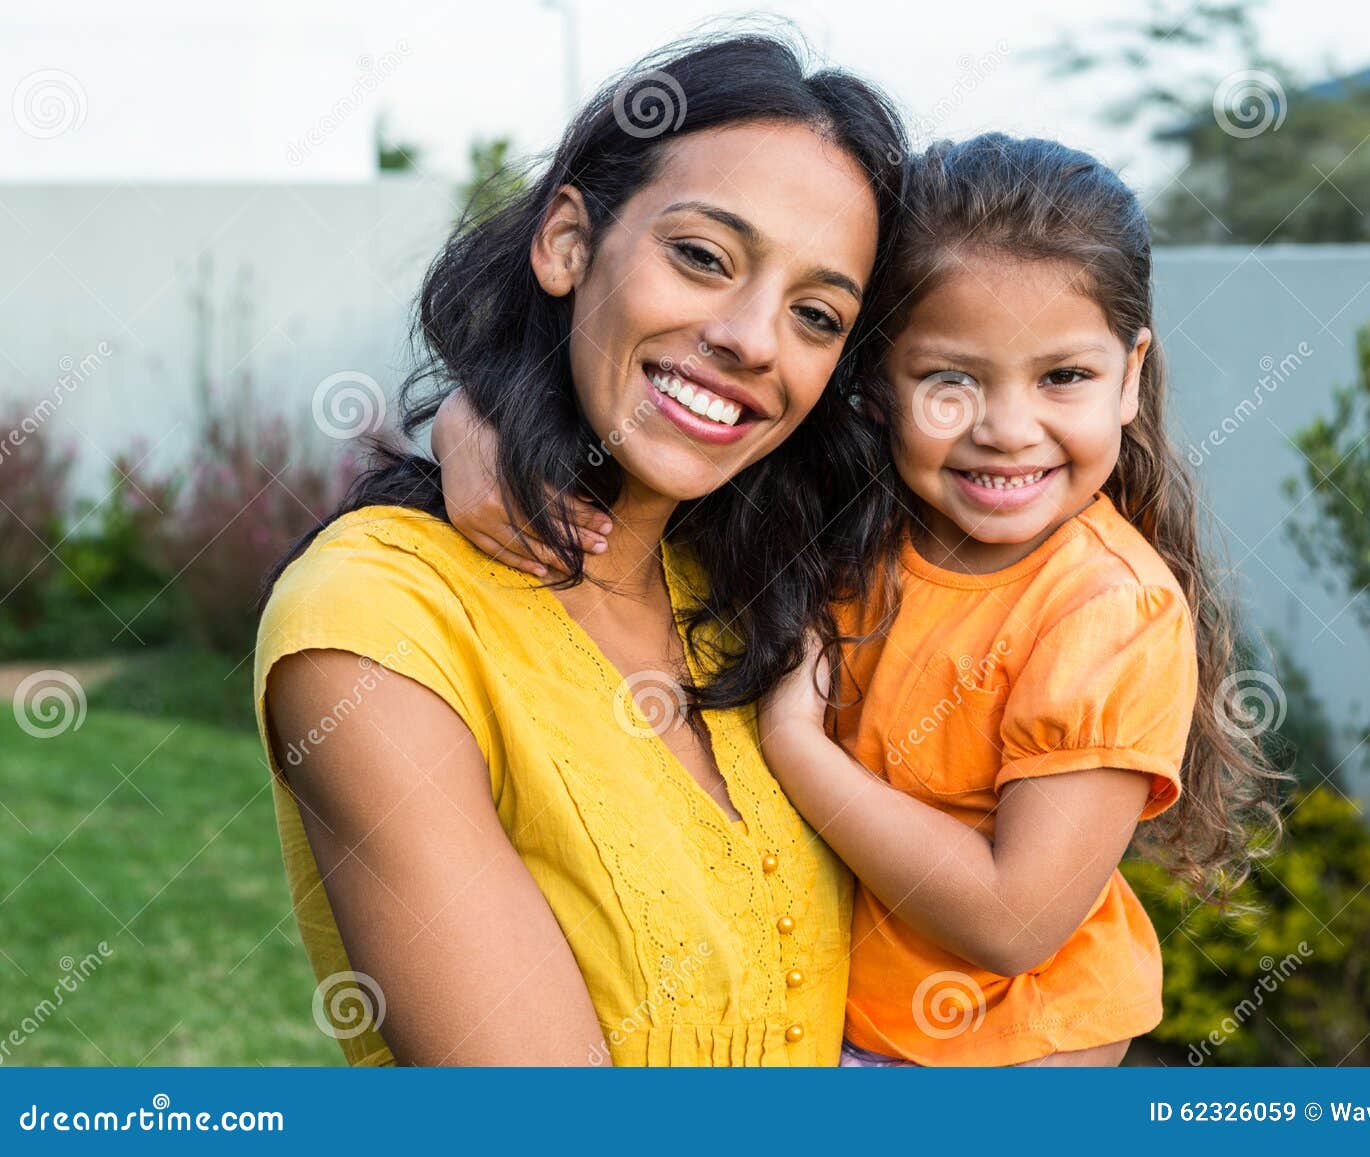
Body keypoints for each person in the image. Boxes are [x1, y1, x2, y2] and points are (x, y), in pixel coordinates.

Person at [433, 134, 1287, 1067]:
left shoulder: (1107, 611)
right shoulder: (853, 513)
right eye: (950, 379)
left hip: (997, 1063)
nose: (1005, 430)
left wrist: (796, 747)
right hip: (843, 1031)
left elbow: (1013, 921)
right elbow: (669, 445)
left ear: (1130, 372)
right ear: (876, 386)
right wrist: (472, 428)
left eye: (1064, 376)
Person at [253, 31, 906, 1066]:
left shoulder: (763, 594)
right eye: (701, 256)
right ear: (566, 241)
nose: (752, 337)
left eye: (816, 314)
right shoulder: (377, 621)